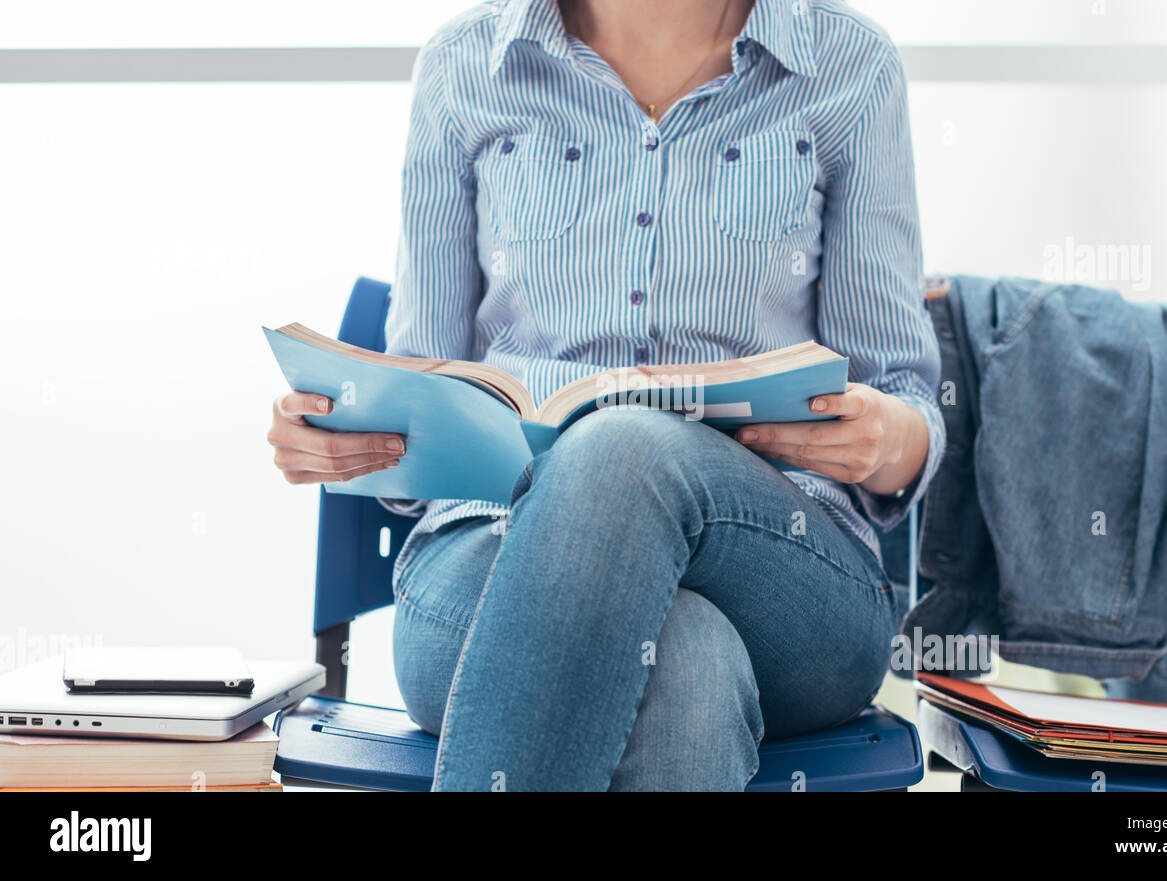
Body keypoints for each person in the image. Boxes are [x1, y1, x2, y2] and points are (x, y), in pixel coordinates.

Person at [266, 0, 944, 791]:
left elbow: (902, 393)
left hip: (788, 579)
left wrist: (887, 436)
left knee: (621, 444)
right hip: (493, 552)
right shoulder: (464, 67)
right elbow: (424, 384)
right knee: (681, 660)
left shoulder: (849, 68)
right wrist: (347, 432)